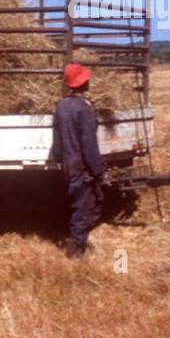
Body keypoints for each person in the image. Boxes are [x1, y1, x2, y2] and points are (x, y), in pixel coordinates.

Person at [49, 62, 106, 259]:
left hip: (68, 164)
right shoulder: (85, 108)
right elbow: (89, 144)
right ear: (84, 83)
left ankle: (78, 240)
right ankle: (75, 252)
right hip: (82, 166)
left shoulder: (61, 106)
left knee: (78, 203)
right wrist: (97, 171)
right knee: (87, 206)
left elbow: (57, 140)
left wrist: (58, 160)